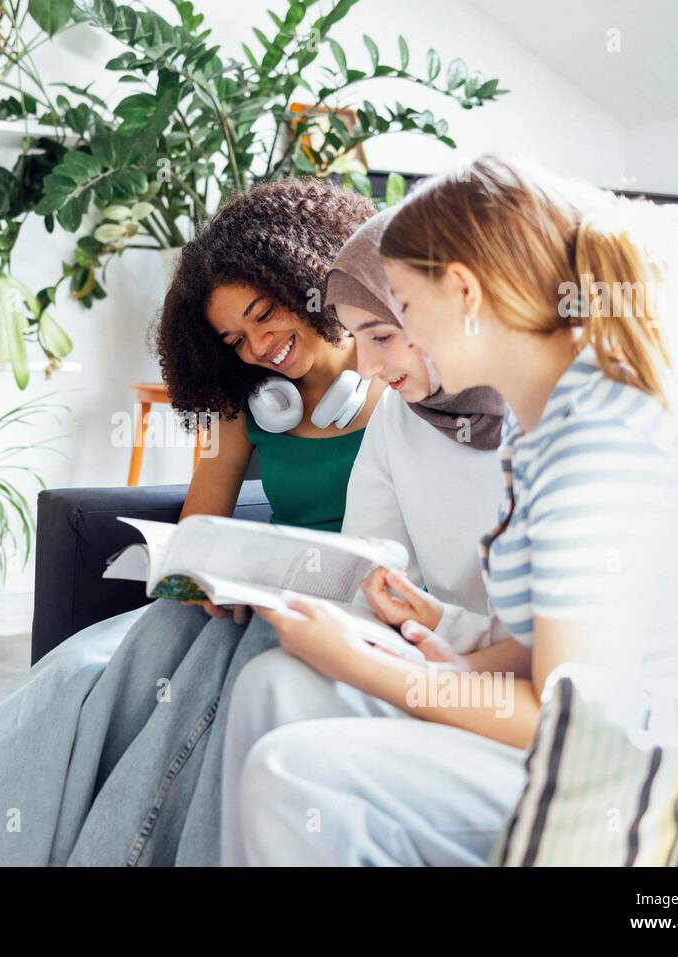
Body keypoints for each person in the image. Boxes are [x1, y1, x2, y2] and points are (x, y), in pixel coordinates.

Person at [234, 154, 678, 866]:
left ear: (465, 291)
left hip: (669, 783)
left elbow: (567, 717)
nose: (375, 361)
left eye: (402, 309)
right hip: (602, 738)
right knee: (276, 691)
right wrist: (441, 643)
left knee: (292, 772)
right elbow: (552, 654)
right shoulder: (548, 424)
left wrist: (375, 667)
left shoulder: (600, 440)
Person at [0, 177, 382, 867]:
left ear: (305, 275)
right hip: (262, 591)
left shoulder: (400, 373)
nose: (259, 345)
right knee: (74, 671)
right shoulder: (247, 400)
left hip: (343, 601)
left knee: (222, 669)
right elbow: (202, 522)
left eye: (266, 314)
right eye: (235, 337)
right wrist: (203, 571)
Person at [218, 207, 508, 864]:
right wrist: (307, 597)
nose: (370, 369)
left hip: (504, 682)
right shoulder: (398, 423)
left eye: (379, 335)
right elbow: (365, 573)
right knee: (267, 680)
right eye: (358, 338)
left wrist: (401, 656)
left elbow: (548, 668)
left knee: (289, 768)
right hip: (460, 651)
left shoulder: (550, 420)